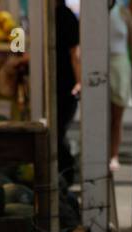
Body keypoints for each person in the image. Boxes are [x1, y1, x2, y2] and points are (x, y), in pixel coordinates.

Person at [109, 0, 132, 170]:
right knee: (103, 116)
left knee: (116, 117)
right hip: (100, 64)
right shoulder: (94, 12)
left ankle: (114, 154)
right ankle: (103, 152)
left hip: (120, 64)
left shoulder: (123, 12)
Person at [54, 0, 81, 187]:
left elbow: (75, 53)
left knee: (58, 130)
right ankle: (65, 171)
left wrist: (79, 81)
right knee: (58, 130)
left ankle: (67, 172)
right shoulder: (52, 17)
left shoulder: (65, 16)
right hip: (60, 81)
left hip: (65, 83)